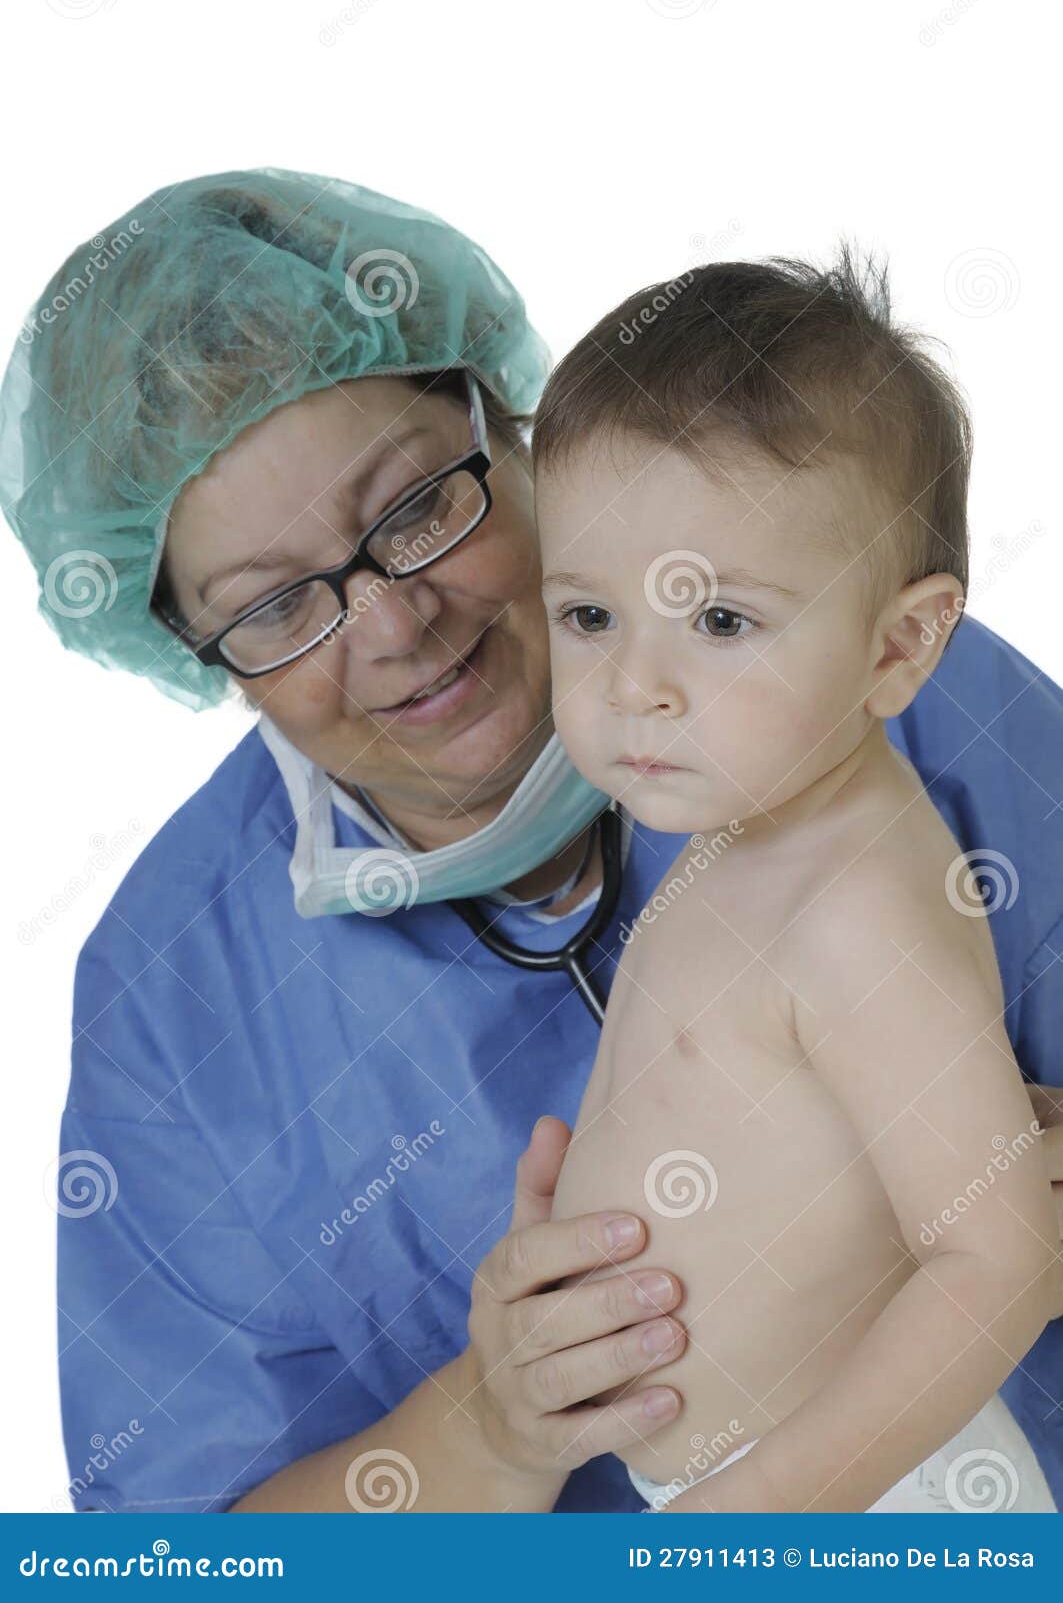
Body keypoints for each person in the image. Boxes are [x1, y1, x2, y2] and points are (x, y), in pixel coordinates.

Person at [0, 171, 1059, 1514]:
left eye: (415, 508)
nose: (392, 626)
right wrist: (489, 1433)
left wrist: (991, 1213)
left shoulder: (895, 701)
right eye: (271, 607)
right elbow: (187, 1557)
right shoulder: (180, 1003)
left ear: (510, 428)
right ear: (200, 657)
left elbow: (993, 1248)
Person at [535, 253, 1059, 1512]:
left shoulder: (856, 900)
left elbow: (1003, 1253)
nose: (633, 684)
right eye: (588, 616)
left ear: (897, 645)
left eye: (719, 622)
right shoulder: (742, 840)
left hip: (883, 1496)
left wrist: (755, 1519)